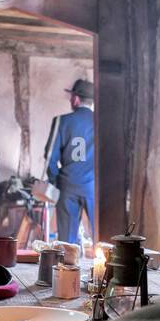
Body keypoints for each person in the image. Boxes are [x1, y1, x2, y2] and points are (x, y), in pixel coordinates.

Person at [45, 78, 95, 245]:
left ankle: (69, 270)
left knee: (67, 243)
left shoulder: (61, 121)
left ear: (75, 99)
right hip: (94, 188)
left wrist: (55, 181)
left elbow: (50, 158)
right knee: (103, 242)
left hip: (68, 186)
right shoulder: (102, 122)